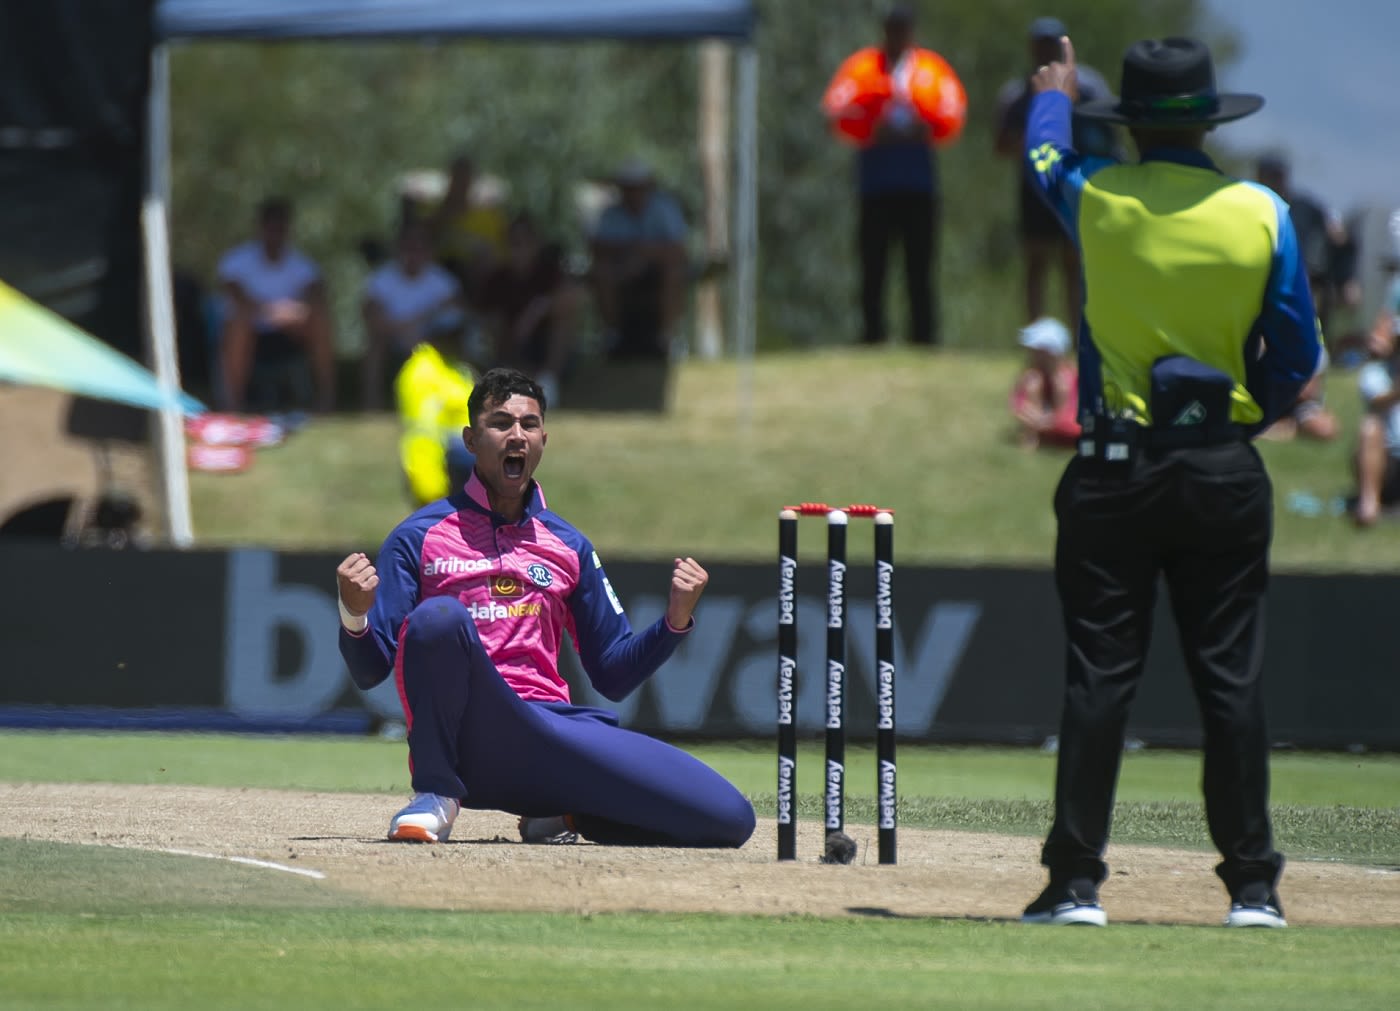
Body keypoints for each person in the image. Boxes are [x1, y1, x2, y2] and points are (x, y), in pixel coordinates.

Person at [1020, 36, 1325, 928]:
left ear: (1135, 125)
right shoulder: (1263, 211)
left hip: (1114, 471)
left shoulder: (1099, 194)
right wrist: (1237, 423)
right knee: (1230, 680)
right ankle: (1255, 889)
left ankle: (1075, 884)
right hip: (1222, 472)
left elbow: (1046, 159)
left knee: (1099, 679)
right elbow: (1300, 352)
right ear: (1208, 118)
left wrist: (1054, 92)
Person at [335, 367, 755, 849]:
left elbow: (613, 675)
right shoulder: (418, 536)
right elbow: (371, 671)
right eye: (500, 423)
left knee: (730, 819)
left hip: (548, 737)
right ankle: (435, 795)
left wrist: (675, 622)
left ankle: (564, 814)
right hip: (467, 741)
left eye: (529, 424)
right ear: (471, 439)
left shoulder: (568, 544)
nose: (516, 435)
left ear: (543, 439)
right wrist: (355, 615)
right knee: (439, 618)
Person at [821, 3, 966, 346]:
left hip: (918, 183)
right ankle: (872, 335)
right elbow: (834, 110)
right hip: (876, 183)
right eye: (891, 27)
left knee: (920, 264)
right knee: (874, 264)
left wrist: (922, 127)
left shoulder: (930, 69)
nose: (897, 35)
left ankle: (924, 337)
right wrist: (872, 127)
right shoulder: (863, 68)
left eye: (903, 28)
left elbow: (954, 110)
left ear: (912, 31)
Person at [994, 16, 1119, 334]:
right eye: (1040, 45)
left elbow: (1111, 137)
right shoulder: (1018, 92)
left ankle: (1078, 338)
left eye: (1051, 44)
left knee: (1073, 263)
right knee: (1036, 262)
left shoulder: (1089, 87)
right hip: (1034, 186)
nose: (1045, 52)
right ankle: (1036, 340)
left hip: (1078, 183)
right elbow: (1001, 144)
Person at [216, 196, 336, 413]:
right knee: (238, 323)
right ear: (260, 228)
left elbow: (316, 296)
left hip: (291, 334)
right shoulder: (236, 261)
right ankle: (234, 402)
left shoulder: (303, 265)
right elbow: (236, 295)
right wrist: (271, 311)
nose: (275, 233)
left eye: (280, 227)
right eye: (270, 226)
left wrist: (295, 313)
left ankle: (325, 397)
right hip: (253, 332)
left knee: (320, 321)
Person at [477, 213, 583, 408]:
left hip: (545, 343)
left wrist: (537, 310)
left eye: (525, 241)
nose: (520, 248)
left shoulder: (549, 272)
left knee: (564, 318)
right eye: (514, 242)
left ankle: (548, 380)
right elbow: (485, 316)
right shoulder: (498, 278)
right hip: (511, 344)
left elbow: (573, 296)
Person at [588, 159, 689, 361]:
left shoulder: (664, 209)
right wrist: (629, 255)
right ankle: (612, 335)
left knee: (675, 272)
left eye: (637, 188)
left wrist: (644, 254)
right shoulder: (611, 213)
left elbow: (678, 250)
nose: (633, 193)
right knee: (601, 273)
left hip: (658, 271)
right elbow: (597, 247)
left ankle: (667, 337)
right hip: (622, 271)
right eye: (628, 188)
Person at [361, 220, 463, 410]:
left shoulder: (442, 280)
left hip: (430, 337)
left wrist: (419, 325)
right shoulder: (382, 278)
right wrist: (401, 330)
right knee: (375, 342)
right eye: (409, 246)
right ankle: (371, 402)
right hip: (391, 335)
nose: (414, 252)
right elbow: (370, 313)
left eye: (420, 246)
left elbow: (456, 311)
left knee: (450, 343)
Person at [393, 307, 478, 508]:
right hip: (445, 468)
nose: (460, 342)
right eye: (454, 336)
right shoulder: (421, 372)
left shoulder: (458, 369)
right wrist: (430, 487)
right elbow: (424, 434)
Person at [427, 153, 509, 306]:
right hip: (441, 276)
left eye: (465, 178)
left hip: (477, 280)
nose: (461, 184)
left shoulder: (490, 217)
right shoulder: (432, 213)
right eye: (456, 178)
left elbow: (501, 256)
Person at [1352, 293, 1400, 526]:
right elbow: (1378, 401)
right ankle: (1368, 505)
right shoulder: (1375, 372)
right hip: (1389, 461)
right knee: (1370, 428)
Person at [1009, 316, 1080, 449]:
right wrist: (1036, 418)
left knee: (1061, 384)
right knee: (1033, 383)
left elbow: (1072, 413)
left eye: (1039, 352)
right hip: (1042, 418)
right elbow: (1018, 405)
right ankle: (1032, 436)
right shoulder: (1033, 376)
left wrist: (1052, 420)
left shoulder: (1067, 377)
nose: (1034, 355)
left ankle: (1050, 434)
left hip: (1067, 423)